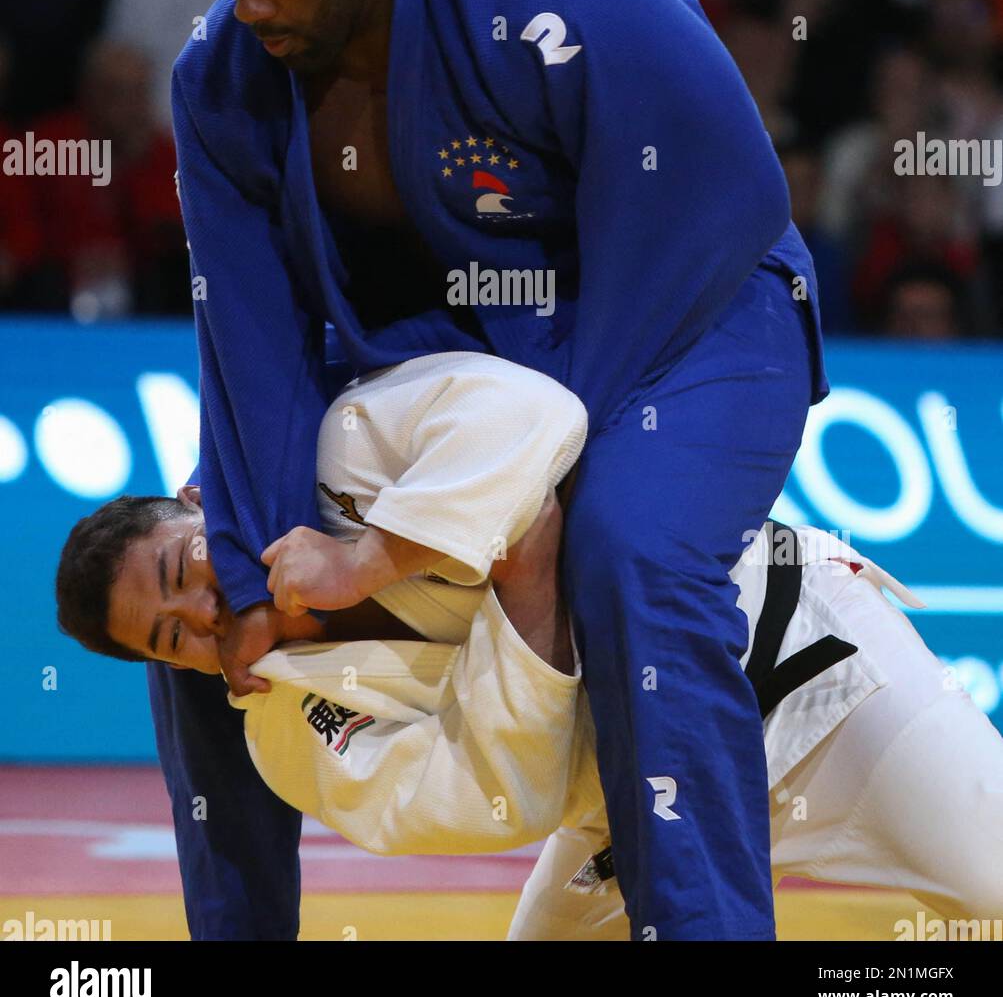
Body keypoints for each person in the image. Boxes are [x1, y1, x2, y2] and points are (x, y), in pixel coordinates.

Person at [165, 0, 827, 940]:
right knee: (189, 563)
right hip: (463, 359)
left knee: (628, 548)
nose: (250, 5)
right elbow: (252, 342)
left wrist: (552, 457)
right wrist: (258, 574)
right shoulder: (222, 78)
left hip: (692, 307)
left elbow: (722, 189)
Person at [56, 352, 1003, 940]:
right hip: (627, 814)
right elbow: (495, 799)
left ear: (198, 506)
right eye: (172, 639)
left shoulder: (337, 453)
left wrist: (371, 559)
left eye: (188, 571)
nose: (208, 616)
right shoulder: (284, 734)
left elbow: (536, 414)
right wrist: (524, 591)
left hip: (804, 683)